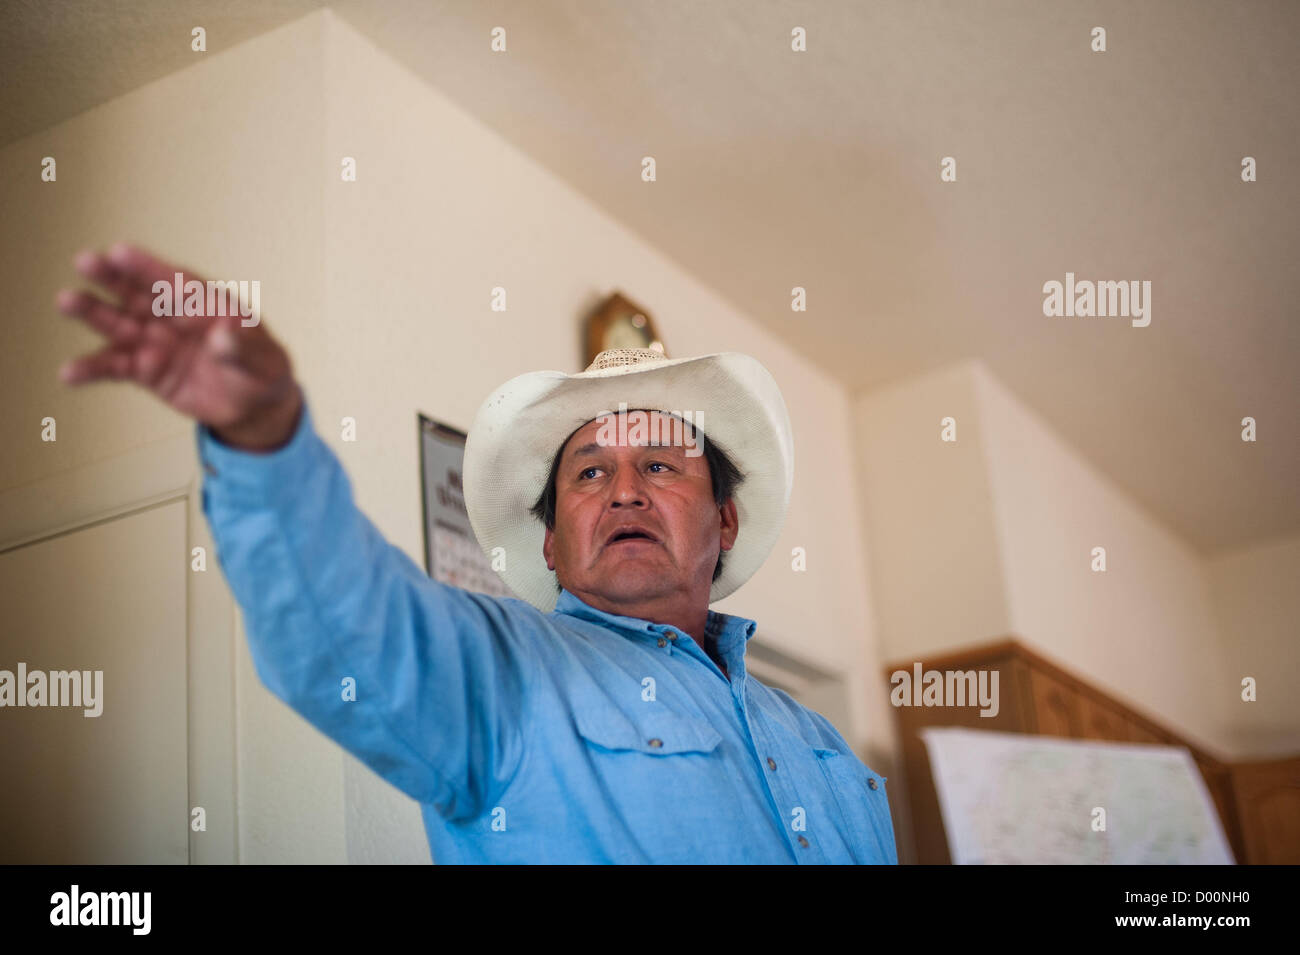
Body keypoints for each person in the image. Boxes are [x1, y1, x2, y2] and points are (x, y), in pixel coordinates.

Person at [56, 242, 898, 864]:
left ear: (725, 520)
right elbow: (347, 627)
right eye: (591, 471)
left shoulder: (825, 744)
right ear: (551, 545)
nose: (624, 490)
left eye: (660, 465)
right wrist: (263, 435)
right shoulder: (504, 673)